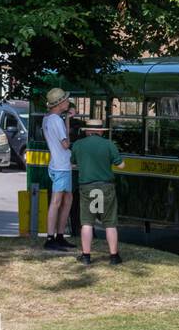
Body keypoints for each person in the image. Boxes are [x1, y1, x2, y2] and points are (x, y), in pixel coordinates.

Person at [70, 118, 126, 265]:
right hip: (106, 187)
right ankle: (114, 257)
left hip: (87, 188)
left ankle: (86, 256)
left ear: (87, 131)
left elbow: (72, 162)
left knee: (87, 223)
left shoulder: (78, 144)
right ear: (101, 131)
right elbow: (121, 165)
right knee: (110, 224)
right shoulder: (109, 144)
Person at [42, 87, 75, 251]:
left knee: (67, 199)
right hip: (62, 165)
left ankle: (59, 236)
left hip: (58, 164)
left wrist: (67, 119)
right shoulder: (56, 120)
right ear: (60, 103)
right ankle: (51, 238)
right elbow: (65, 144)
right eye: (66, 100)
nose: (68, 102)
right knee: (57, 201)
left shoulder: (48, 118)